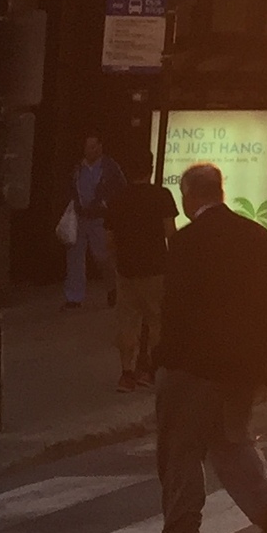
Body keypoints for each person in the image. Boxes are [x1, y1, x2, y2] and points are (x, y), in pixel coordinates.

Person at [148, 160, 267, 533]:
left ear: (189, 196)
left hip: (192, 366)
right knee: (230, 441)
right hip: (241, 365)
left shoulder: (187, 243)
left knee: (180, 452)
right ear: (222, 191)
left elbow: (174, 308)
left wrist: (160, 359)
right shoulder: (257, 236)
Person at [108, 165, 180, 392]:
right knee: (157, 320)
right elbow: (170, 232)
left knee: (127, 321)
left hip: (127, 269)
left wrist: (116, 264)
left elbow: (109, 238)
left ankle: (126, 372)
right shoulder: (162, 195)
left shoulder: (118, 198)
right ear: (149, 170)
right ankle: (151, 369)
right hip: (156, 268)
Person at [65, 135, 127, 309]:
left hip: (100, 217)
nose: (91, 151)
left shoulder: (110, 166)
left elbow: (121, 187)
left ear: (100, 147)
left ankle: (112, 288)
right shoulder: (78, 167)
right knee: (75, 258)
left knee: (103, 257)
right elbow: (69, 187)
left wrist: (107, 203)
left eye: (94, 147)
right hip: (80, 216)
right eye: (88, 147)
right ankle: (74, 297)